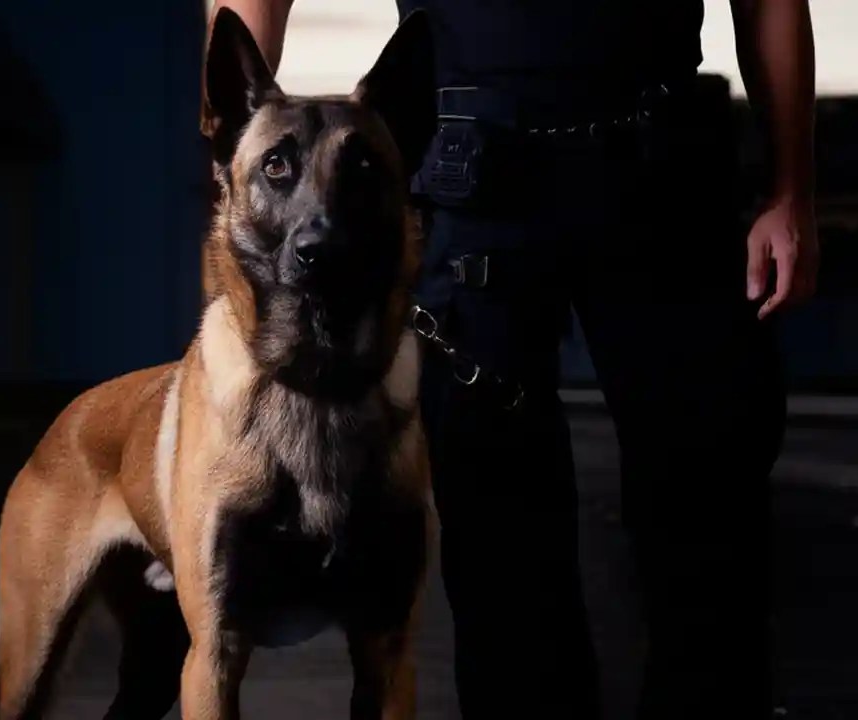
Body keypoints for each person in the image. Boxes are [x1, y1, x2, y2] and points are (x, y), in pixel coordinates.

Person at [209, 1, 818, 718]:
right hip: (477, 183)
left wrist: (792, 192)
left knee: (709, 510)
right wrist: (235, 150)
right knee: (501, 548)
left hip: (663, 174)